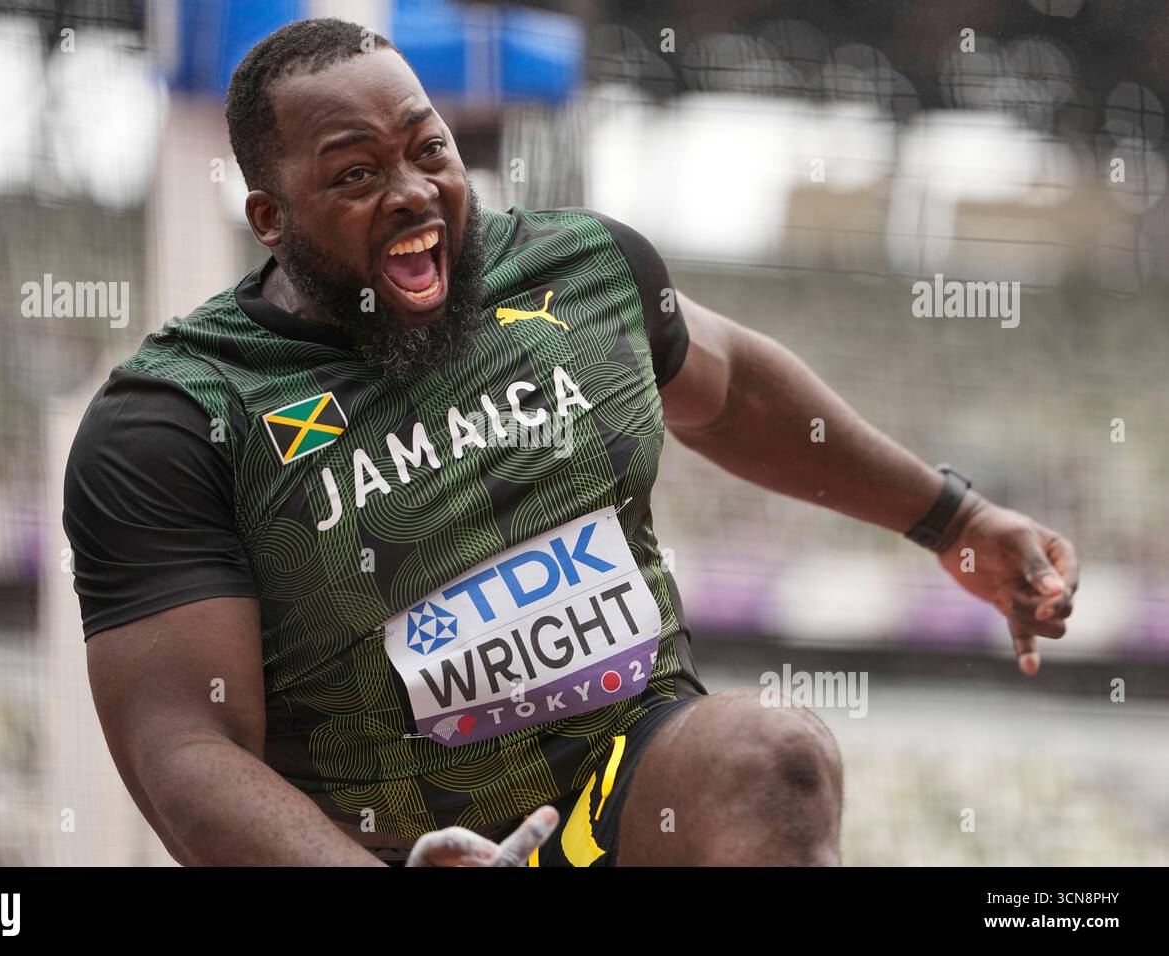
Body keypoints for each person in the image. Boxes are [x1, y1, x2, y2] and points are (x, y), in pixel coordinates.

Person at [64, 18, 1079, 866]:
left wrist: (954, 517)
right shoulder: (178, 417)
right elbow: (185, 744)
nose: (414, 191)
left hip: (620, 787)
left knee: (777, 758)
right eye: (359, 173)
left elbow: (734, 395)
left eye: (428, 149)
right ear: (270, 217)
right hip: (379, 842)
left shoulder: (580, 276)